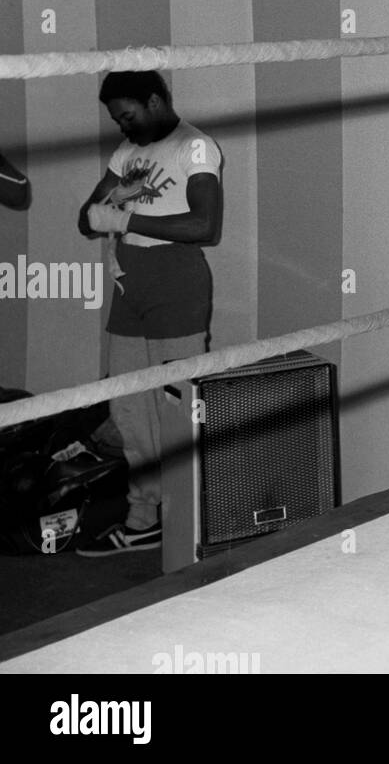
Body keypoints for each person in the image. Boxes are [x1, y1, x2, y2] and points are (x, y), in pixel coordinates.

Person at [74, 71, 222, 555]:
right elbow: (86, 219)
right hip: (129, 285)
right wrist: (109, 205)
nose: (122, 125)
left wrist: (125, 216)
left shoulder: (195, 147)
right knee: (129, 407)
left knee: (174, 410)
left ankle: (187, 522)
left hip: (175, 282)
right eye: (117, 119)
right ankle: (144, 517)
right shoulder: (128, 153)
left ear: (155, 101)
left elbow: (205, 224)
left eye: (128, 115)